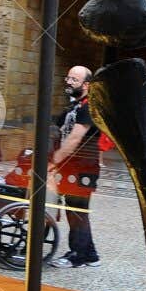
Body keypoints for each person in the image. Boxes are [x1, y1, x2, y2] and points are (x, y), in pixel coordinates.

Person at [48, 65, 102, 268]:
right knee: (76, 210)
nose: (68, 82)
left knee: (76, 210)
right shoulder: (75, 107)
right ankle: (89, 254)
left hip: (82, 168)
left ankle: (77, 255)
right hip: (73, 168)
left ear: (86, 85)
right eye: (68, 78)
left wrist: (54, 162)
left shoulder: (89, 108)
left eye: (74, 80)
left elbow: (74, 139)